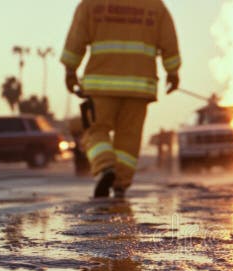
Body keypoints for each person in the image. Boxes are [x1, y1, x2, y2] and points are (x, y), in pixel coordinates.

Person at [61, 0, 181, 198]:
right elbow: (169, 41)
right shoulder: (155, 6)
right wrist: (173, 72)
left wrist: (70, 70)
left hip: (101, 85)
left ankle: (105, 167)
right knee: (129, 138)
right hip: (140, 85)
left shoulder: (90, 5)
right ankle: (120, 184)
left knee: (95, 129)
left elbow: (76, 39)